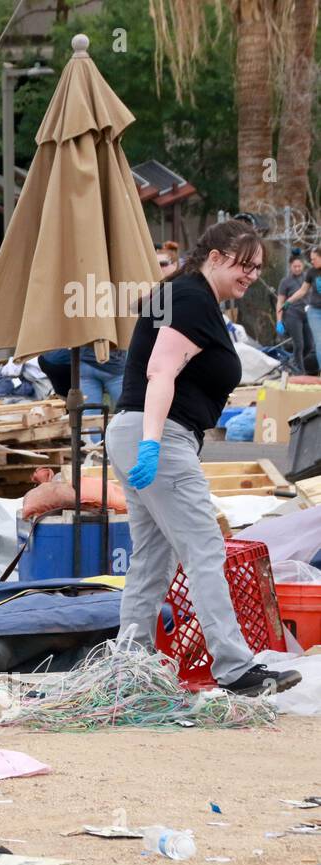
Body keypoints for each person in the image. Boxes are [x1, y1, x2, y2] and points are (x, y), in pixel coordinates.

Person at [108, 219, 301, 696]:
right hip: (158, 433)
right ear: (214, 258)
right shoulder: (192, 299)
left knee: (152, 559)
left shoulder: (179, 294)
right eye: (244, 264)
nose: (252, 275)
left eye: (258, 268)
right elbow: (160, 371)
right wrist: (153, 442)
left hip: (135, 431)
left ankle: (126, 669)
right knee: (204, 551)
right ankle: (236, 669)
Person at [282, 246, 321, 372]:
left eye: (314, 259)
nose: (312, 261)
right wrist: (288, 301)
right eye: (311, 259)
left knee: (311, 345)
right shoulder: (311, 272)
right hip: (310, 312)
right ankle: (307, 371)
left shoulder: (308, 272)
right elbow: (302, 291)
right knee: (315, 343)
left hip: (308, 312)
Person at [277, 255, 316, 375]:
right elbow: (280, 302)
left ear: (303, 266)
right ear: (290, 266)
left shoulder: (308, 278)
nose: (297, 268)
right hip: (293, 315)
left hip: (307, 314)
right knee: (299, 344)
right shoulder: (285, 282)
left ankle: (292, 363)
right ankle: (300, 372)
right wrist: (279, 321)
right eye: (295, 266)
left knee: (309, 345)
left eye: (299, 266)